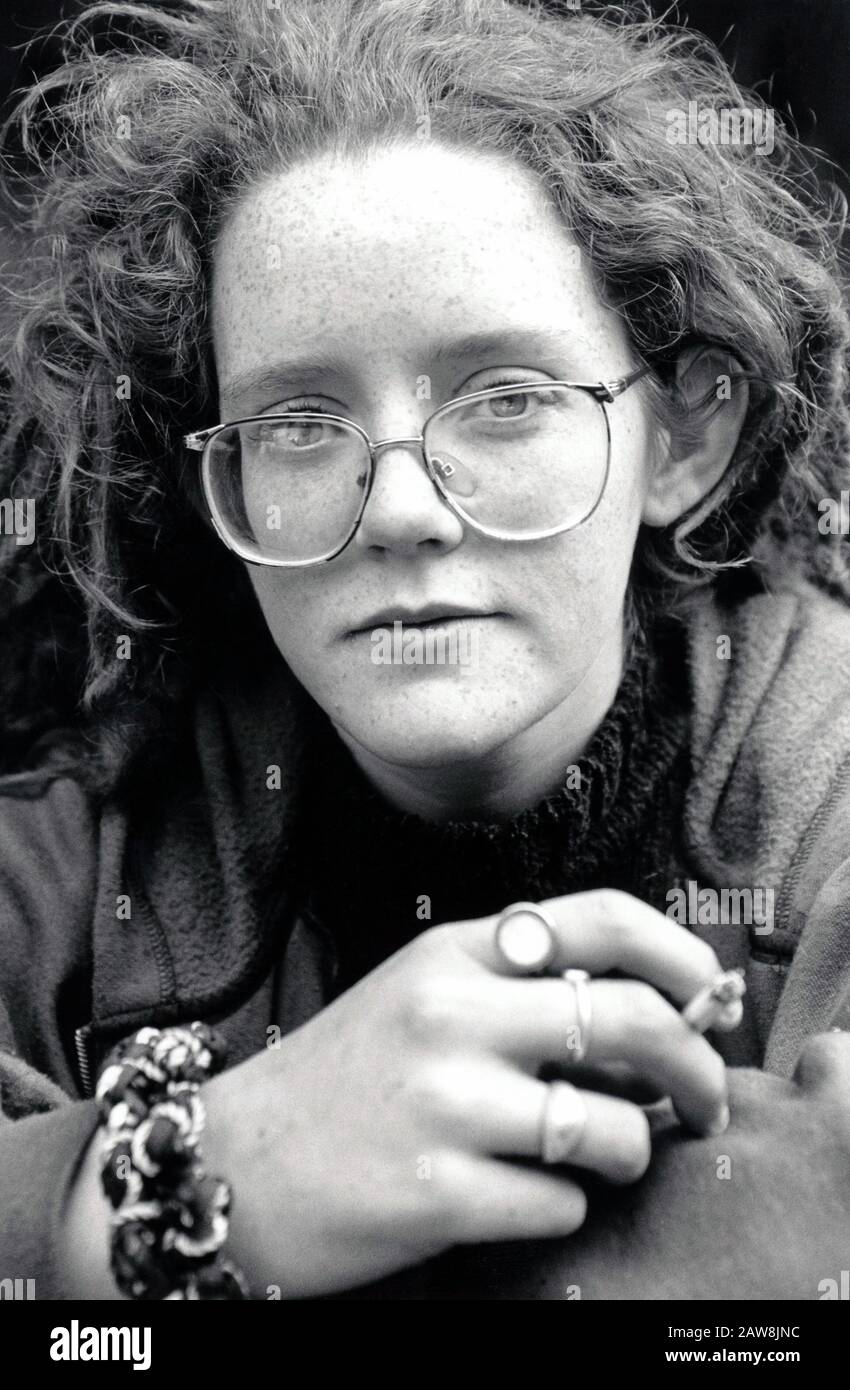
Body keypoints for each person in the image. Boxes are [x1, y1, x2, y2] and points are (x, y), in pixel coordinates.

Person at [1, 0, 850, 1302]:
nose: (397, 507)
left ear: (681, 439)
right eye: (295, 421)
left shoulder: (829, 806)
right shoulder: (61, 882)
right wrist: (216, 1174)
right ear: (214, 478)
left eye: (505, 400)